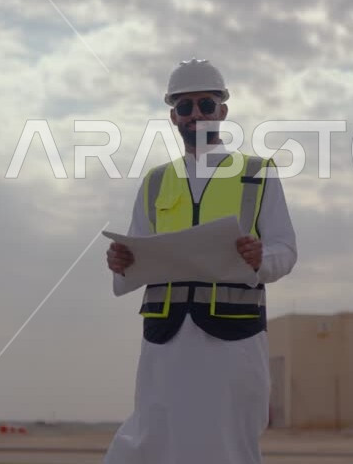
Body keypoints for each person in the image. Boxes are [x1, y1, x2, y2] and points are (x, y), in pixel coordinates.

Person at [103, 59, 298, 464]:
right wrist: (121, 262)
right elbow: (134, 261)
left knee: (228, 445)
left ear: (222, 111)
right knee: (150, 441)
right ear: (173, 115)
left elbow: (285, 250)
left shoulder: (258, 174)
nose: (195, 115)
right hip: (165, 339)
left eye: (205, 105)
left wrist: (262, 259)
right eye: (185, 106)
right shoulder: (155, 181)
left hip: (232, 339)